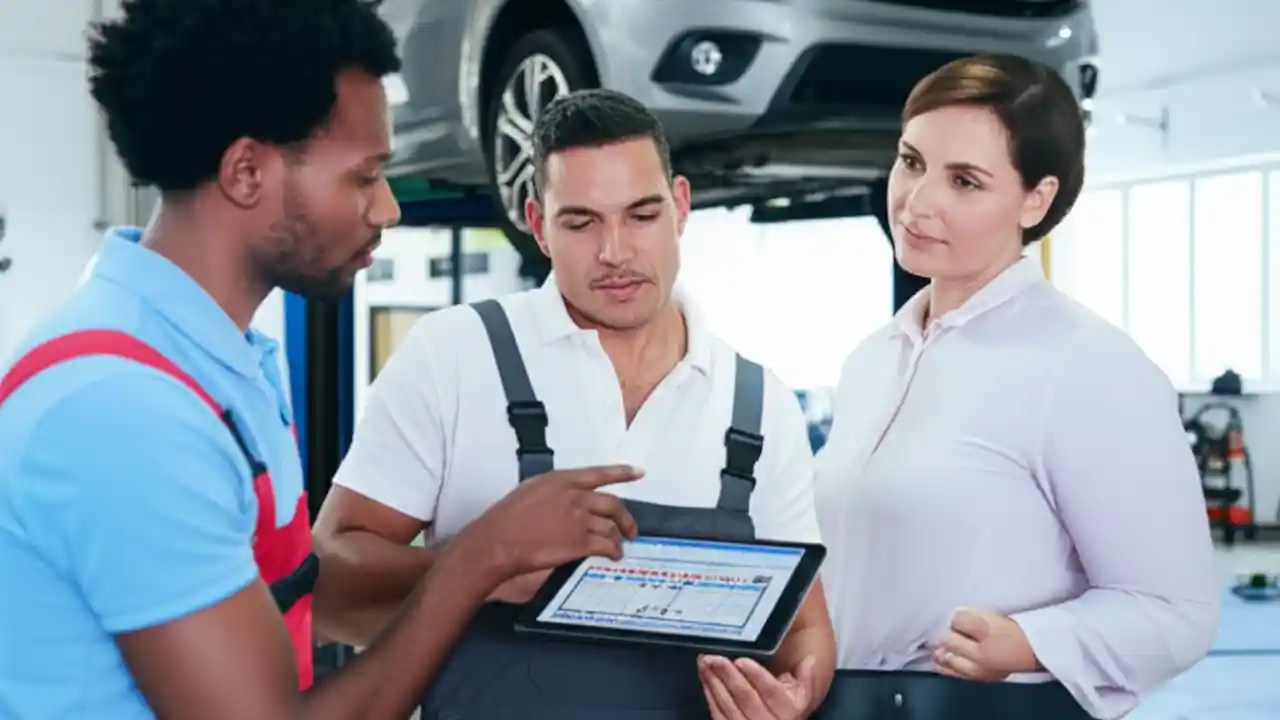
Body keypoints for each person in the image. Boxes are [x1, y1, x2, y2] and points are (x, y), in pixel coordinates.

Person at [0, 1, 644, 718]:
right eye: (364, 177)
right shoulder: (124, 411)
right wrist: (479, 558)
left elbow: (295, 598)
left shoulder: (218, 366)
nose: (389, 208)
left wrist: (494, 566)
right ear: (246, 172)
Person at [312, 88, 836, 719]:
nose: (615, 251)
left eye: (641, 216)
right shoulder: (455, 355)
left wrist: (798, 697)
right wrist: (479, 565)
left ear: (681, 206)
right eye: (581, 222)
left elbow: (805, 630)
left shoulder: (756, 405)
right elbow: (328, 585)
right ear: (537, 224)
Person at [810, 54, 1219, 720]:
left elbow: (1177, 611)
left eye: (965, 181)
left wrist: (1033, 642)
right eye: (911, 162)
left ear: (1037, 198)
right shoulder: (872, 360)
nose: (917, 203)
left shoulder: (1088, 366)